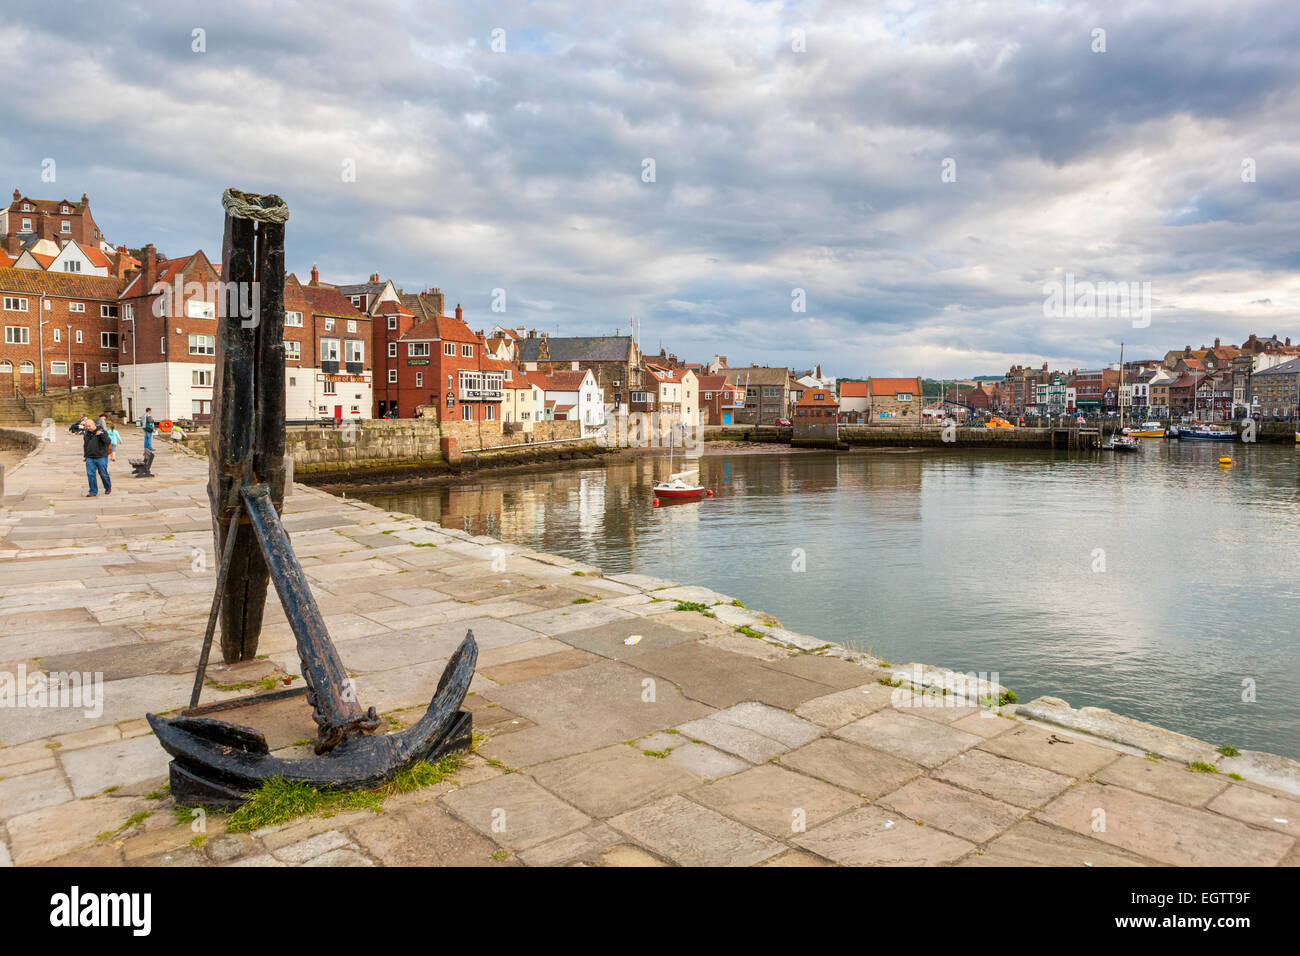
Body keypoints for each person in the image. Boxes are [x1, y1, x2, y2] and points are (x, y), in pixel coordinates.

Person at [69, 416, 112, 497]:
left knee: (103, 473)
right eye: (86, 426)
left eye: (89, 426)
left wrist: (101, 435)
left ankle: (108, 487)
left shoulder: (102, 431)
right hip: (90, 457)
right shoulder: (86, 433)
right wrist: (85, 455)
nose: (88, 428)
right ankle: (93, 491)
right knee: (90, 474)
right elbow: (85, 445)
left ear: (94, 424)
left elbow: (108, 442)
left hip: (101, 457)